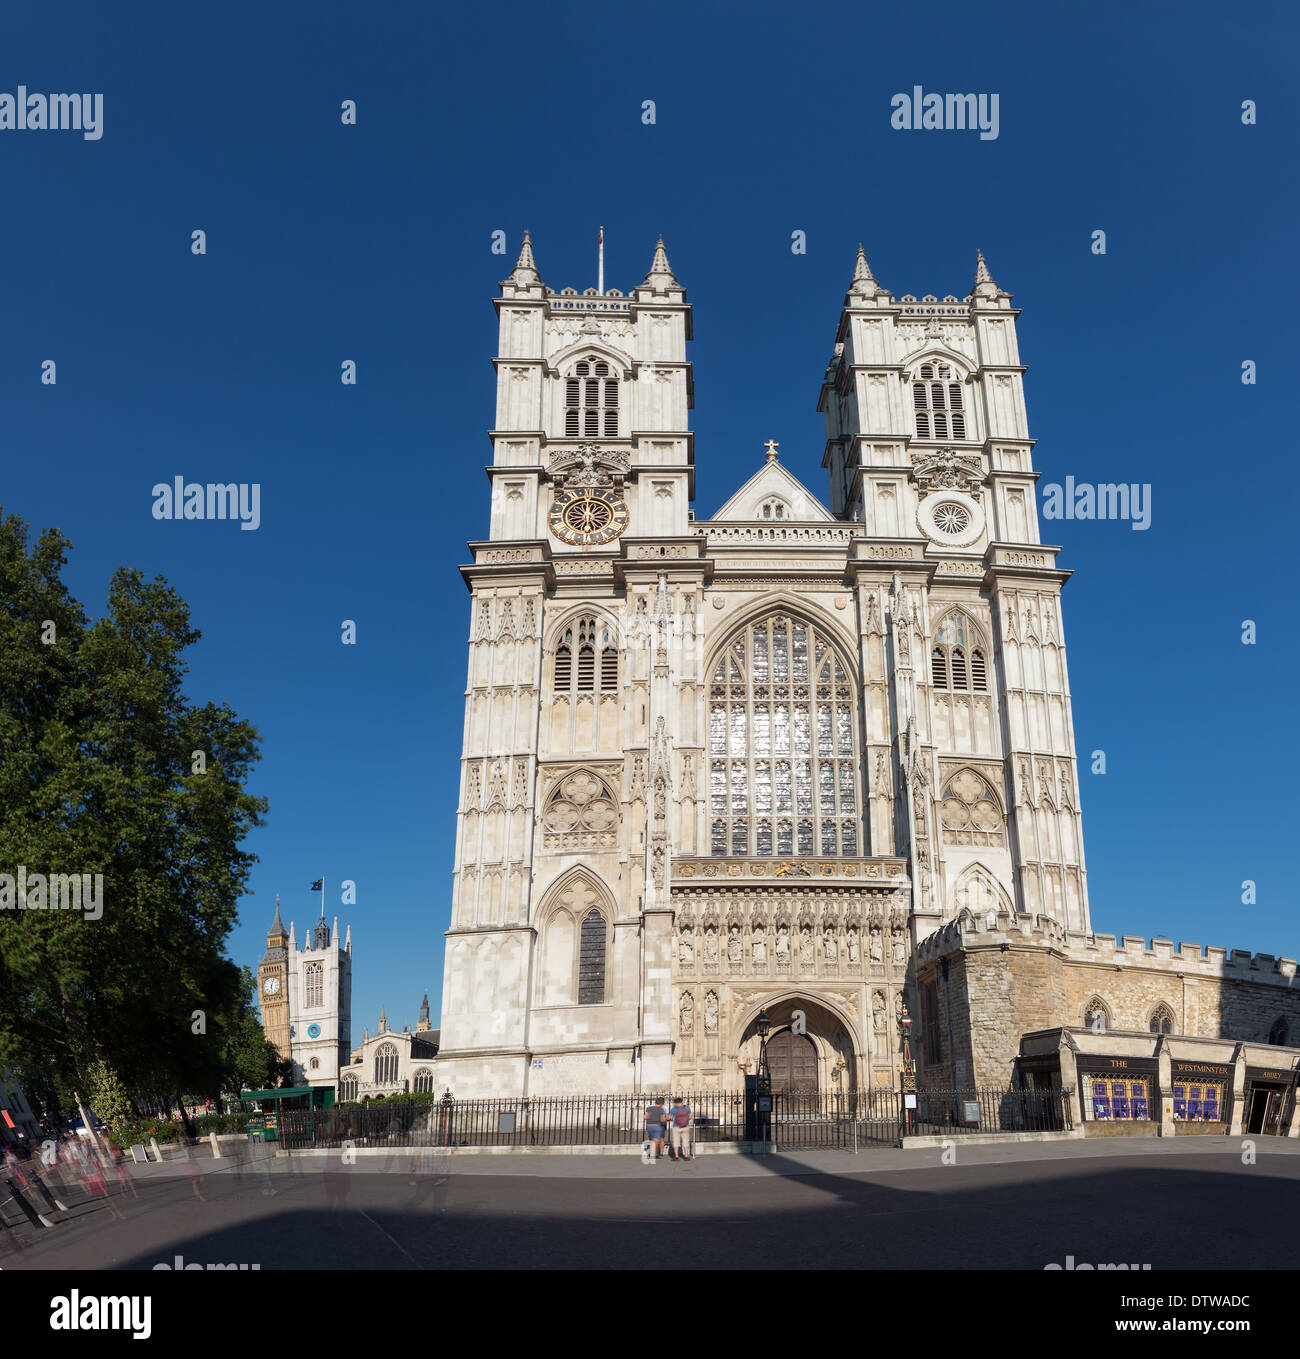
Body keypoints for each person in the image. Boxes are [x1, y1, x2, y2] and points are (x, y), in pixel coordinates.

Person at [668, 1096, 693, 1161]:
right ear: (682, 1102)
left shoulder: (673, 1109)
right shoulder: (687, 1107)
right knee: (685, 1141)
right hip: (685, 1126)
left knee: (676, 1142)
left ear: (675, 1103)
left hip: (676, 1126)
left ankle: (676, 1156)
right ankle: (686, 1156)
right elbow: (690, 1117)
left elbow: (669, 1118)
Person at [643, 1096, 667, 1162]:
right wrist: (665, 1121)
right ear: (662, 1103)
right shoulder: (661, 1109)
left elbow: (645, 1117)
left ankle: (653, 1154)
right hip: (657, 1126)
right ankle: (652, 1155)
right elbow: (662, 1120)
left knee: (652, 1140)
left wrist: (651, 1117)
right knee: (655, 1141)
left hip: (649, 1125)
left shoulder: (648, 1108)